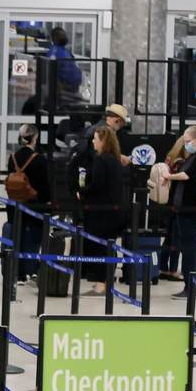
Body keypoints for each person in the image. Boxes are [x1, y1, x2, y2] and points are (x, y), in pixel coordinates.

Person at [80, 125, 133, 292]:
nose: (93, 142)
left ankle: (101, 285)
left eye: (96, 139)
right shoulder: (115, 160)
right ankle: (105, 283)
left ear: (103, 141)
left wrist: (82, 192)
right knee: (107, 248)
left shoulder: (101, 160)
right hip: (116, 212)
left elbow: (97, 184)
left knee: (99, 247)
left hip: (103, 213)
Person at [160, 124, 196, 284]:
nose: (186, 145)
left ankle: (191, 284)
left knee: (188, 246)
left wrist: (168, 176)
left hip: (190, 207)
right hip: (182, 207)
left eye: (188, 141)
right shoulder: (195, 156)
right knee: (192, 243)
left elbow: (186, 176)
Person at [6, 124, 52, 281]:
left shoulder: (12, 158)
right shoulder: (40, 159)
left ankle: (17, 272)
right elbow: (45, 185)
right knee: (34, 237)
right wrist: (47, 203)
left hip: (14, 205)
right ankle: (31, 269)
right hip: (34, 205)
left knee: (16, 236)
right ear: (35, 139)